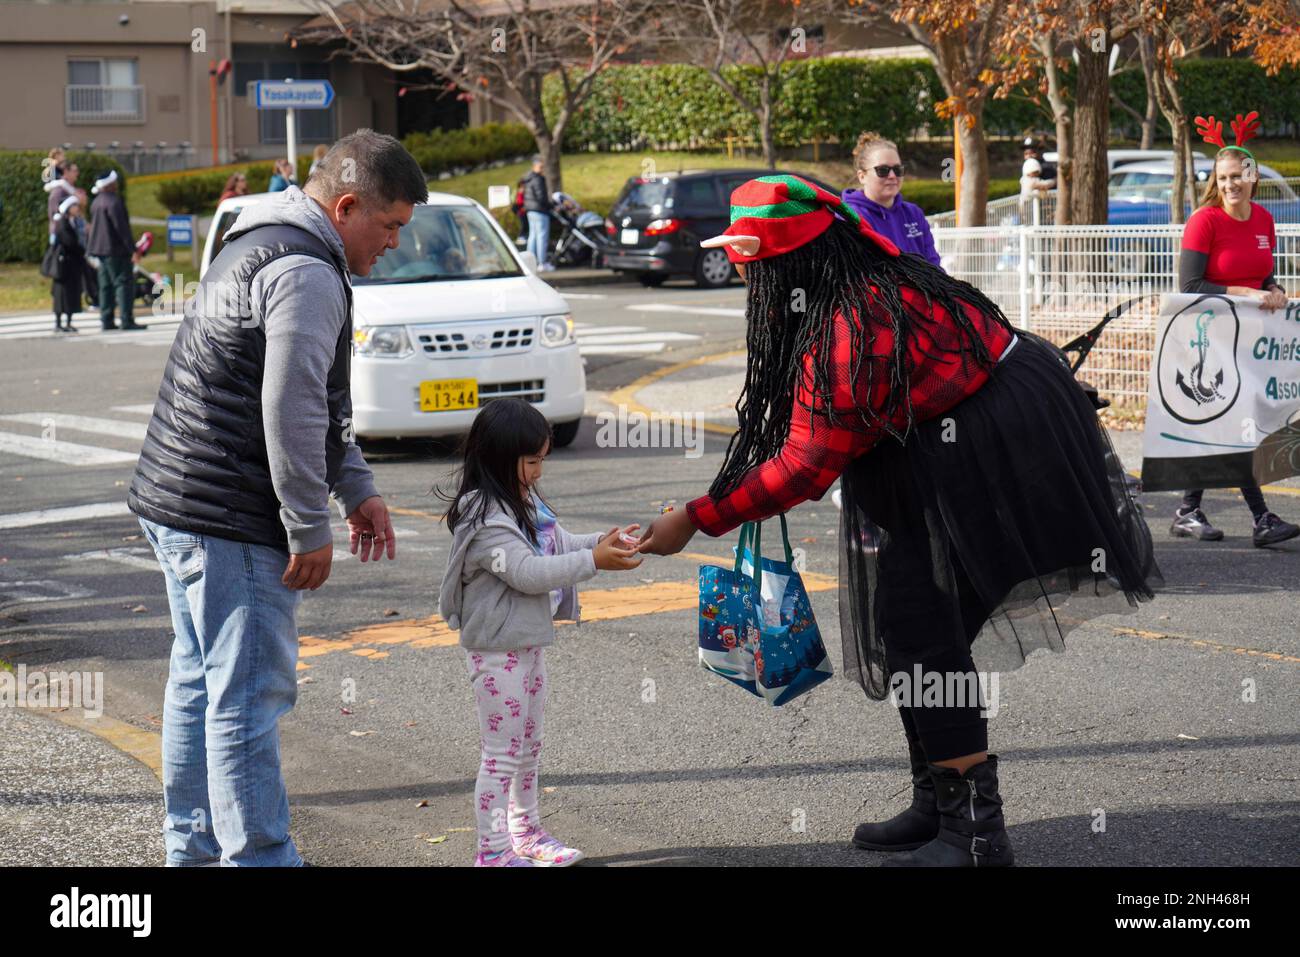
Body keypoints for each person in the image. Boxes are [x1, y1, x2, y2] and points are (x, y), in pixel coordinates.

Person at [638, 174, 1161, 867]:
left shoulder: (852, 322)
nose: (749, 284)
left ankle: (974, 832)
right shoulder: (854, 278)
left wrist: (698, 518)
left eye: (754, 268)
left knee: (925, 629)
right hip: (967, 435)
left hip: (1000, 452)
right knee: (909, 623)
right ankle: (938, 800)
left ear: (789, 264)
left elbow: (806, 463)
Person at [127, 129, 428, 867]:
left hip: (178, 497)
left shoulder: (258, 238)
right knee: (248, 698)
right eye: (389, 226)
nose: (394, 243)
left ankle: (191, 850)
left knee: (199, 682)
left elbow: (313, 400)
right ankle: (260, 857)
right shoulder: (307, 270)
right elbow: (292, 408)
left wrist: (356, 485)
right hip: (230, 511)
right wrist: (306, 524)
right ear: (348, 206)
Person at [437, 398, 643, 866]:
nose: (538, 471)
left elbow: (556, 543)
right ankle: (492, 853)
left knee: (528, 747)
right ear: (497, 458)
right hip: (496, 651)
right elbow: (527, 572)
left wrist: (602, 543)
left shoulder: (520, 499)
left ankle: (525, 834)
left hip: (527, 642)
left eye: (542, 460)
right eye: (532, 461)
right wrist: (594, 562)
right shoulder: (484, 517)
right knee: (502, 754)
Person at [1172, 112, 1299, 547]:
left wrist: (1276, 289)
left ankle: (1188, 511)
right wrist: (1244, 291)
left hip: (1250, 340)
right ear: (1215, 181)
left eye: (1239, 176)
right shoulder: (1204, 221)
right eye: (1222, 177)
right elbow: (1189, 286)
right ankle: (1261, 518)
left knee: (1222, 426)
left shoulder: (1264, 221)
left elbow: (1264, 277)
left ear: (1253, 177)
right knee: (1236, 422)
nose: (1230, 184)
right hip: (1207, 337)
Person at [841, 131, 941, 269]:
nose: (893, 176)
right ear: (862, 176)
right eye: (883, 170)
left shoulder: (914, 213)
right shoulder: (848, 217)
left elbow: (933, 264)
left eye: (897, 169)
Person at [86, 170, 145, 331]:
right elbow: (122, 229)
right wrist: (132, 249)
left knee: (105, 286)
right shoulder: (114, 202)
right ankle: (126, 320)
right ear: (110, 184)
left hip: (99, 250)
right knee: (123, 283)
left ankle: (107, 319)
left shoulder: (97, 202)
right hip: (115, 250)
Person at [49, 194, 86, 334]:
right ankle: (58, 323)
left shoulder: (74, 222)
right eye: (74, 206)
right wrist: (82, 250)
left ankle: (68, 322)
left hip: (72, 263)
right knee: (61, 294)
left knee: (72, 293)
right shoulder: (62, 223)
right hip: (63, 265)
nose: (77, 208)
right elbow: (70, 242)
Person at [521, 155, 554, 272]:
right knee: (541, 237)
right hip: (540, 210)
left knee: (533, 236)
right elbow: (541, 197)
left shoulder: (528, 178)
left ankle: (530, 263)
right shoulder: (538, 179)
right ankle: (542, 262)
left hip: (530, 210)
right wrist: (552, 205)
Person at [45, 161, 79, 243]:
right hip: (60, 233)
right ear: (66, 172)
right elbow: (55, 214)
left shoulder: (69, 188)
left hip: (67, 231)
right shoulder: (59, 191)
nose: (77, 173)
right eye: (74, 171)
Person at [1020, 137, 1056, 204]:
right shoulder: (1027, 167)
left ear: (1039, 152)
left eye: (1032, 153)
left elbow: (1047, 187)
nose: (1029, 156)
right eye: (1026, 154)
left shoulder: (1047, 168)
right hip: (1029, 205)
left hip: (1045, 207)